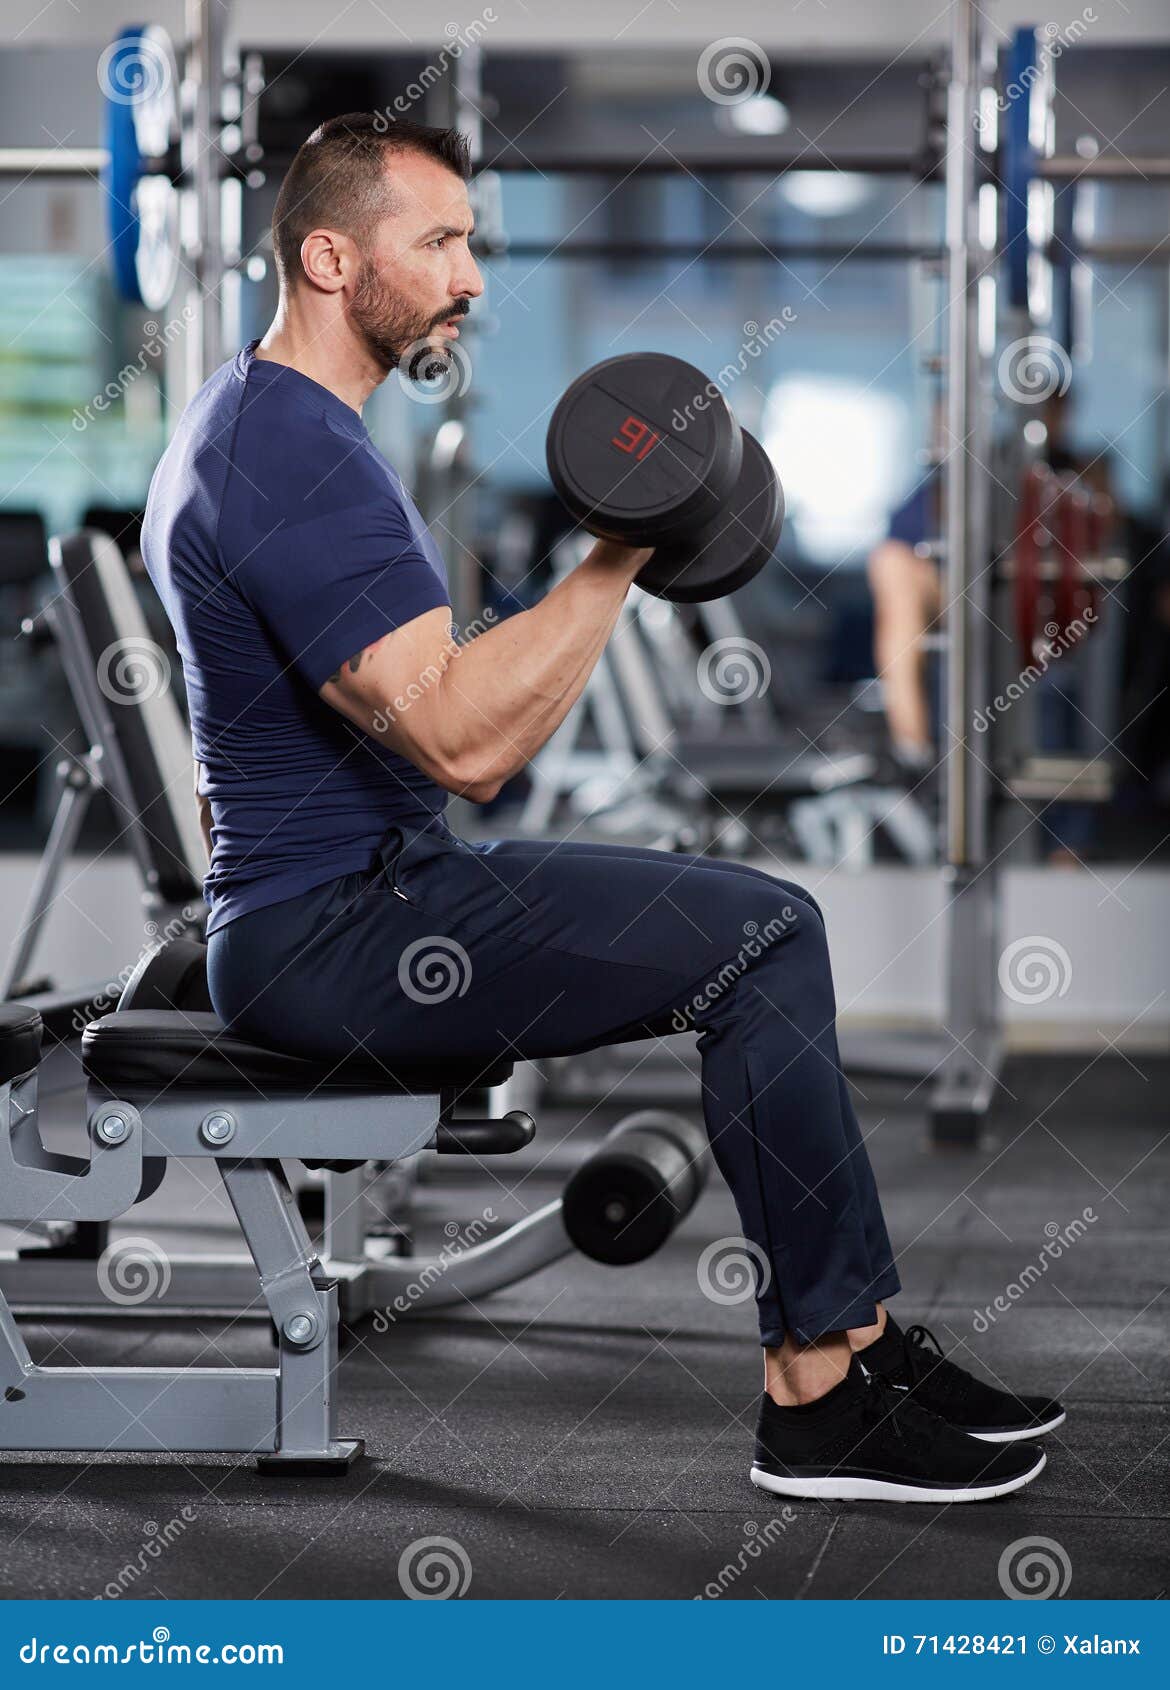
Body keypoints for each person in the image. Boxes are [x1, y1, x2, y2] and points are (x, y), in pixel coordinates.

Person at [142, 112, 1064, 1504]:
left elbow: (454, 717)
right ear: (331, 257)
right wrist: (628, 536)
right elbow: (459, 736)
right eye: (439, 241)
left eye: (472, 243)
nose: (470, 276)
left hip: (366, 894)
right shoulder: (284, 450)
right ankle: (817, 1396)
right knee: (760, 936)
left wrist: (622, 546)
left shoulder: (273, 424)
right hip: (336, 929)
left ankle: (856, 1344)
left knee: (760, 929)